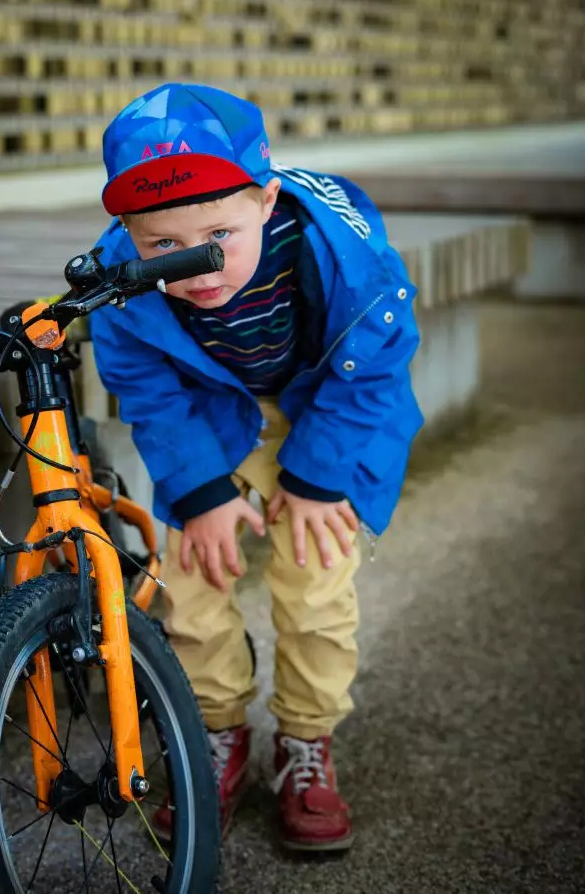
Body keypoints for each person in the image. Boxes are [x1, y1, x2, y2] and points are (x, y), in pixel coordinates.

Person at [89, 82, 423, 851]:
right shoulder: (123, 283)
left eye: (216, 234)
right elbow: (146, 386)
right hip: (218, 419)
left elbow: (377, 361)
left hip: (327, 410)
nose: (196, 265)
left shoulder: (341, 253)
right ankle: (217, 729)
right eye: (161, 247)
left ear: (266, 199)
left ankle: (306, 740)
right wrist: (201, 491)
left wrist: (314, 482)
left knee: (315, 577)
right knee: (194, 580)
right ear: (127, 232)